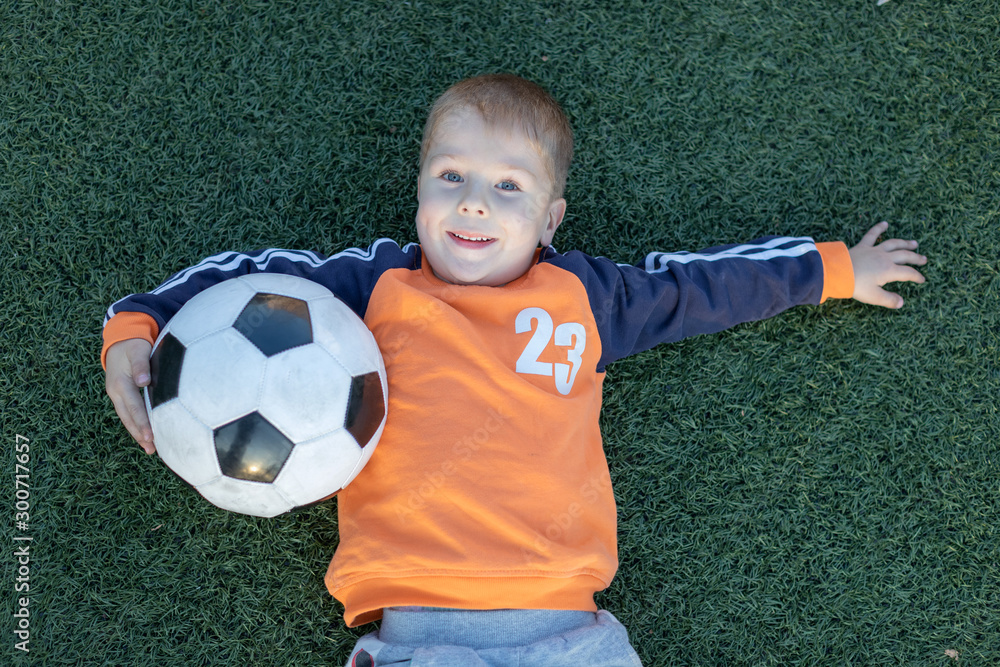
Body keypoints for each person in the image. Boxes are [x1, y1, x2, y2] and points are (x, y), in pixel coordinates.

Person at [102, 74, 927, 666]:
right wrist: (136, 325)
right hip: (415, 630)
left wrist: (832, 269)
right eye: (451, 176)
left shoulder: (583, 296)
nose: (473, 203)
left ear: (548, 217)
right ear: (420, 187)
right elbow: (247, 278)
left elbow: (695, 289)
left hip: (571, 629)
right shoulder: (375, 286)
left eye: (508, 187)